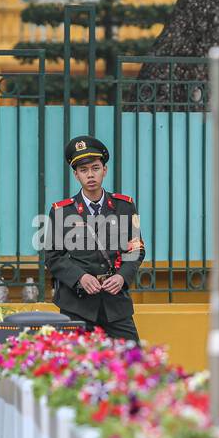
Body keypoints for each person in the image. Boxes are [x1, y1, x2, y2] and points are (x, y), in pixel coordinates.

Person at [43, 135, 145, 341]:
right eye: (83, 170)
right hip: (77, 307)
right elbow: (53, 256)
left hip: (116, 305)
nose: (90, 175)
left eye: (95, 168)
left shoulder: (124, 206)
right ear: (76, 175)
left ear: (104, 171)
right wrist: (80, 277)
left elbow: (136, 248)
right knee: (75, 368)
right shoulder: (62, 211)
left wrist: (122, 276)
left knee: (132, 365)